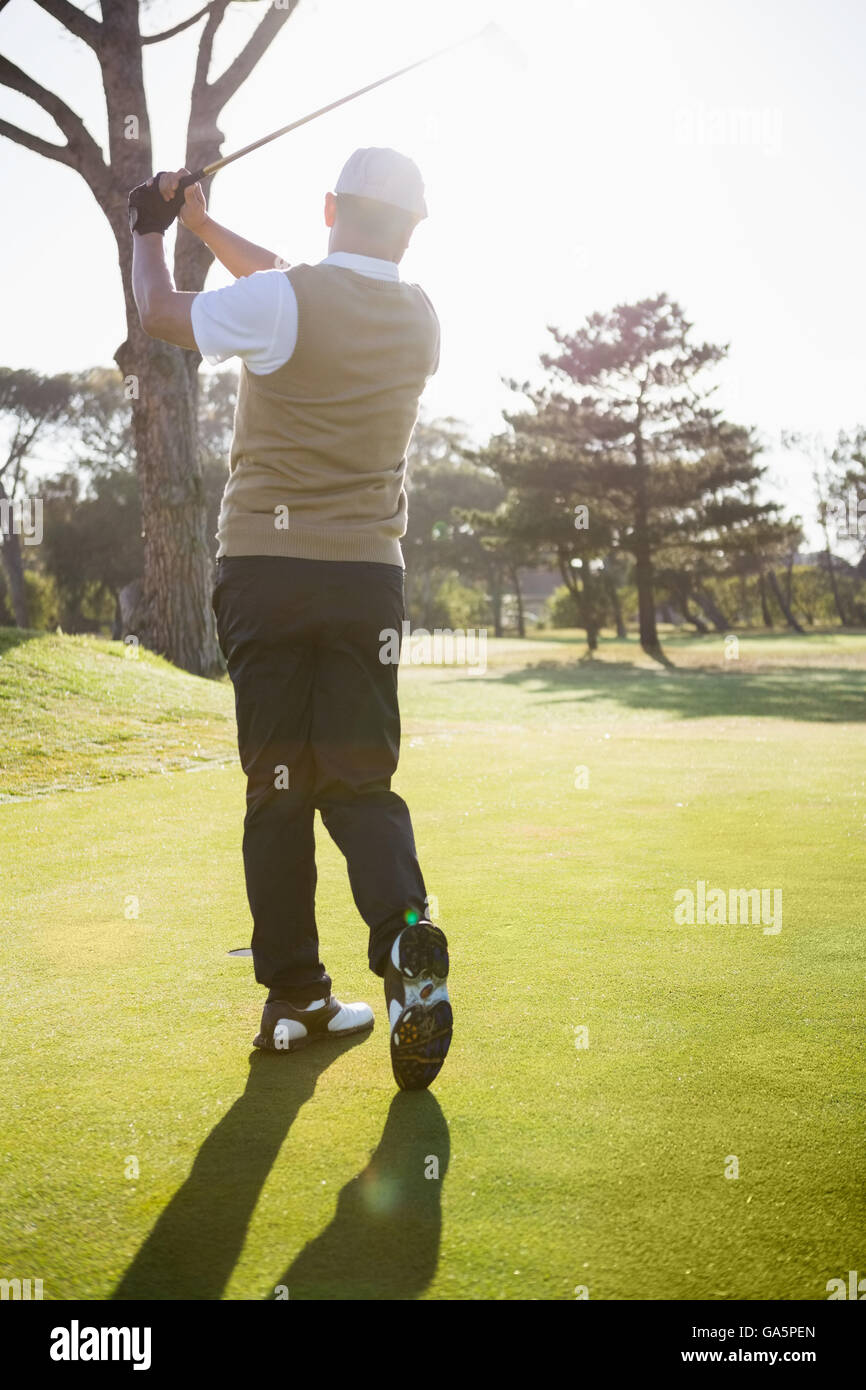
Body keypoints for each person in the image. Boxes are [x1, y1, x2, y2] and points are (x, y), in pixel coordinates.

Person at [128, 147, 452, 1091]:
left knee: (275, 787)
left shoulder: (283, 300)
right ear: (412, 228)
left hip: (265, 576)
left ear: (328, 207)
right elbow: (284, 285)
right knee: (359, 784)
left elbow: (160, 314)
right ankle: (402, 951)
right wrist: (202, 224)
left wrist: (151, 229)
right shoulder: (421, 319)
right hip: (366, 583)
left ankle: (295, 1001)